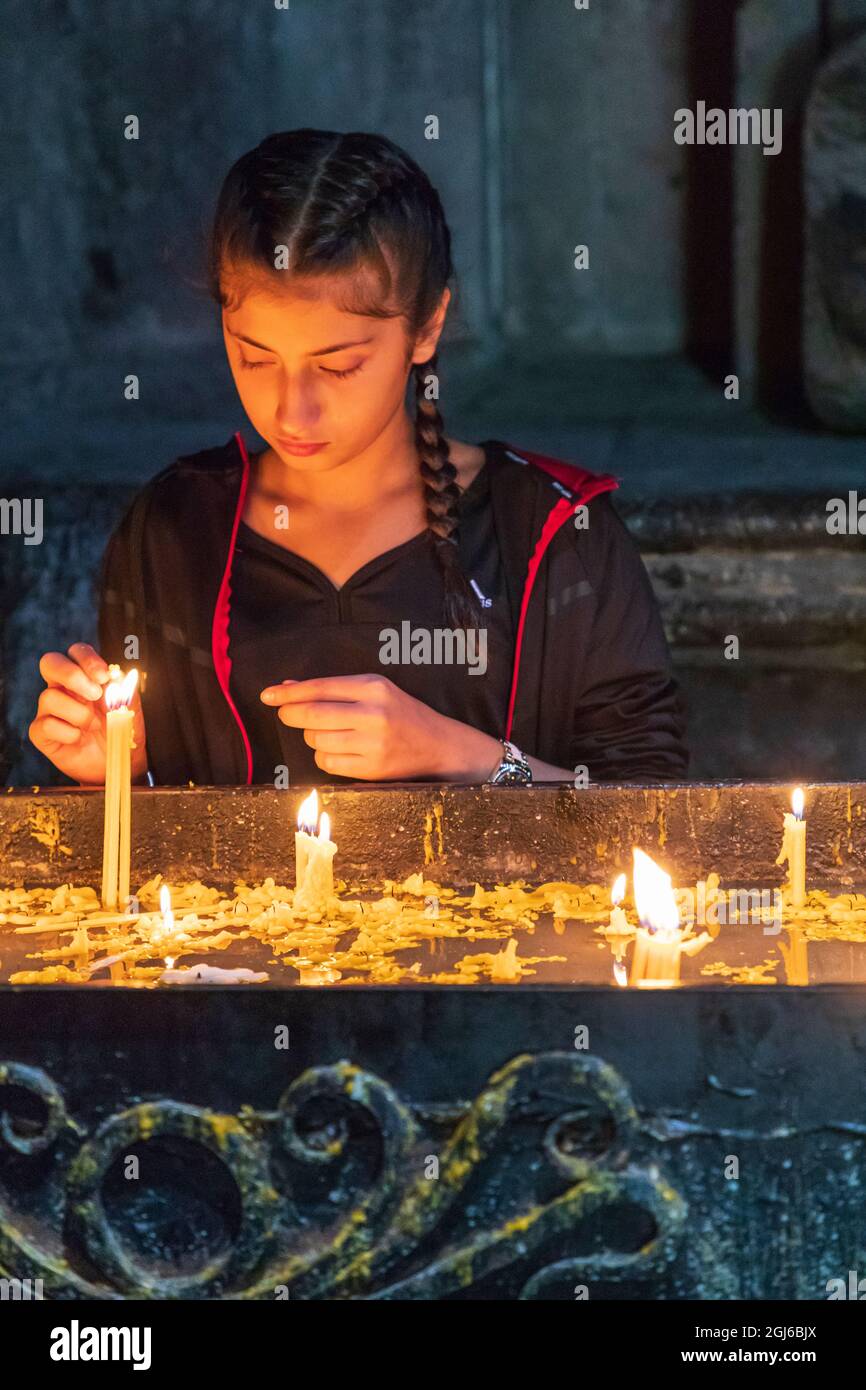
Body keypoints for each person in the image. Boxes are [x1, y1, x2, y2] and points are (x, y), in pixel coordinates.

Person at [30, 129, 687, 788]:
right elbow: (147, 838)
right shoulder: (173, 529)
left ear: (426, 326)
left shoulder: (557, 534)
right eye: (255, 357)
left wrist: (464, 755)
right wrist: (116, 767)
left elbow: (655, 820)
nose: (292, 410)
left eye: (339, 366)